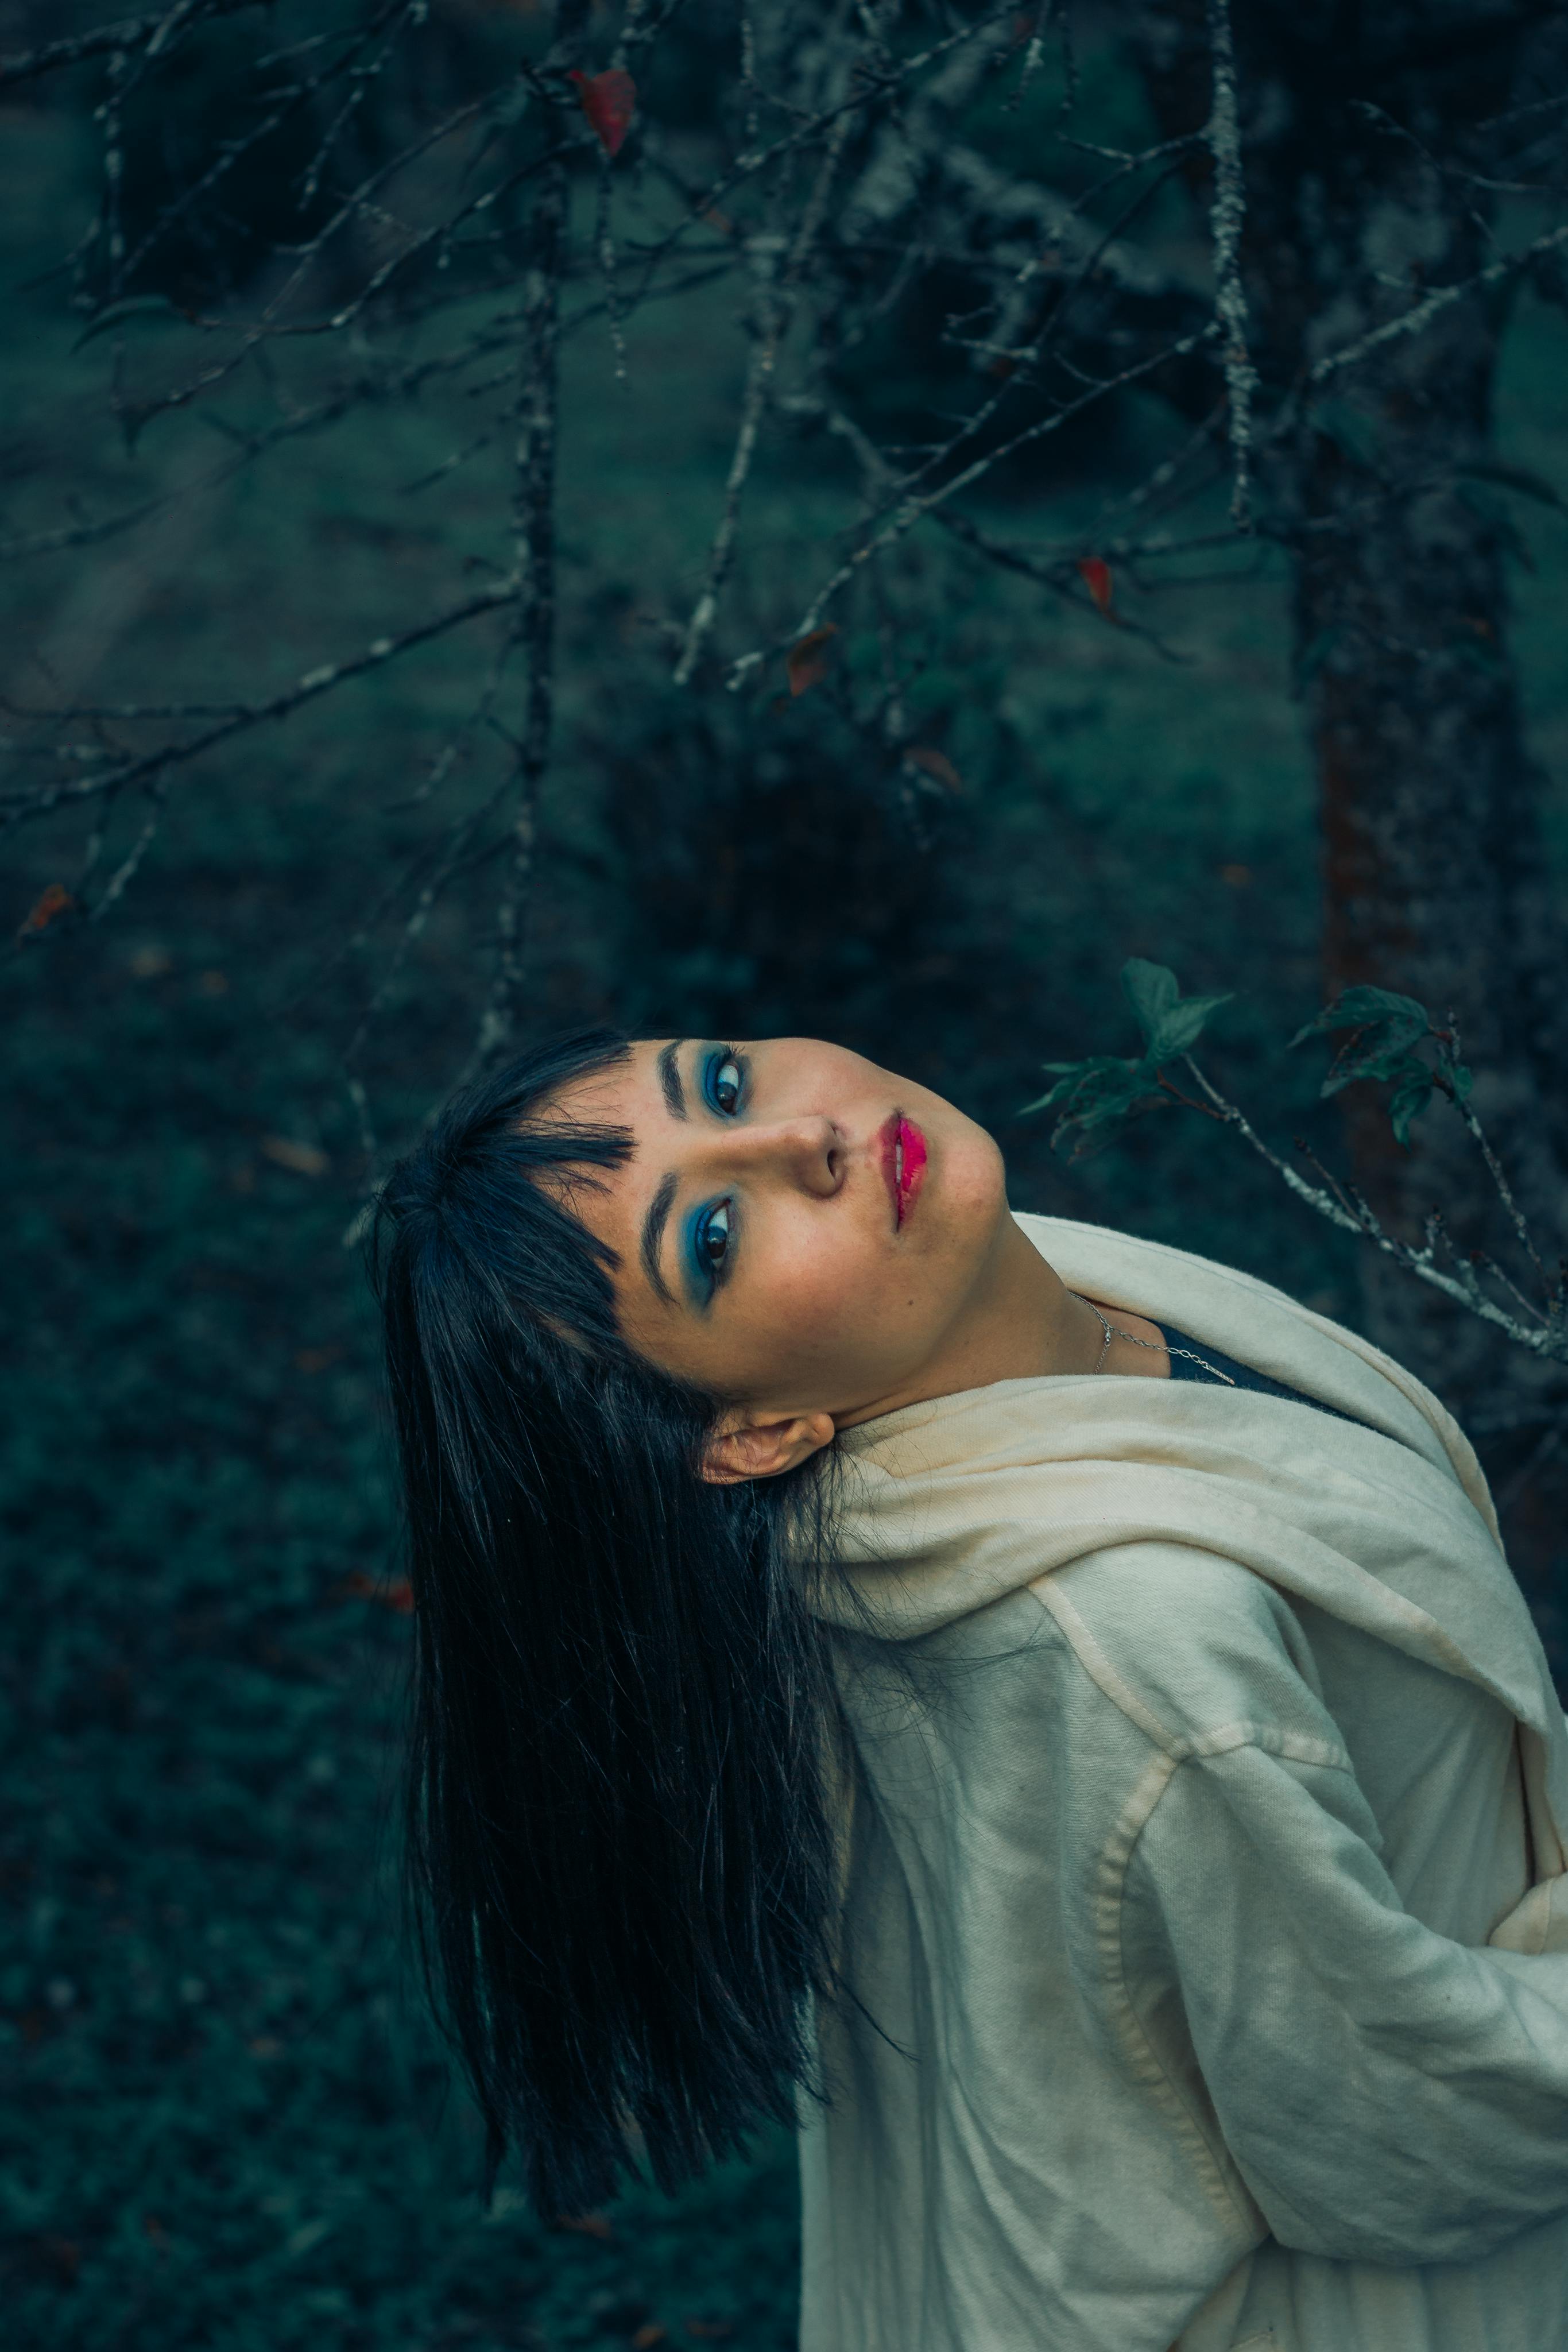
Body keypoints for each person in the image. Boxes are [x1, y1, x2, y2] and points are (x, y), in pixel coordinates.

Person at [373, 1027, 1568, 2352]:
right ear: (751, 1434)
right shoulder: (1146, 1648)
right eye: (713, 1237)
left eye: (720, 1083)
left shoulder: (979, 1309)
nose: (800, 1139)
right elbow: (1401, 2125)